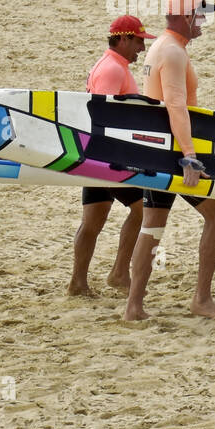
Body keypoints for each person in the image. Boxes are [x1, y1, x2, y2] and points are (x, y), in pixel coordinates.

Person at [124, 0, 215, 321]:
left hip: (158, 149)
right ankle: (201, 299)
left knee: (152, 225)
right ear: (185, 16)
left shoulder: (164, 47)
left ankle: (134, 306)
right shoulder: (172, 52)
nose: (203, 23)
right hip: (173, 153)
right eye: (200, 16)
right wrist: (189, 155)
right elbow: (176, 106)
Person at [70, 15, 156, 296]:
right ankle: (119, 273)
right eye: (139, 41)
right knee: (144, 209)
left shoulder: (111, 65)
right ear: (123, 38)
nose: (141, 49)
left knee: (93, 220)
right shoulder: (112, 69)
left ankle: (78, 283)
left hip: (95, 154)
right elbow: (102, 116)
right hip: (106, 156)